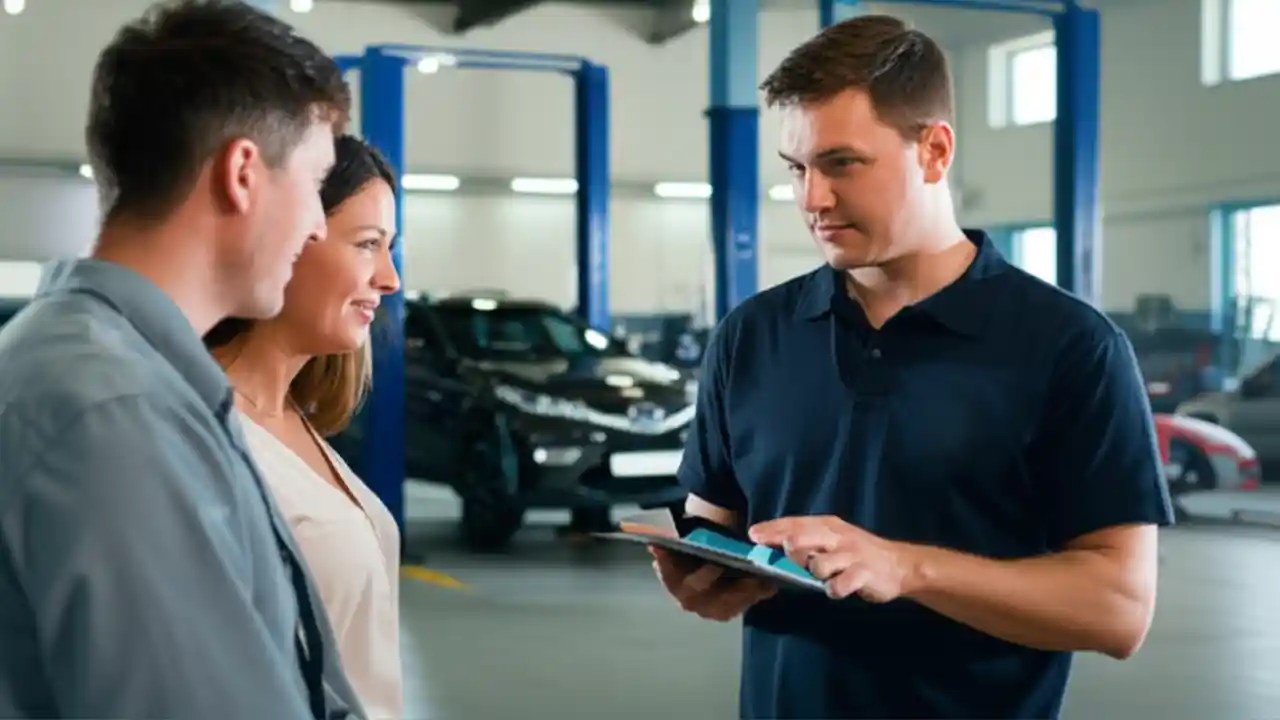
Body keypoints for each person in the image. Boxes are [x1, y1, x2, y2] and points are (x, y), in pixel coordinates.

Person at [650, 14, 1174, 720]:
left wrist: (906, 567)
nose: (812, 200)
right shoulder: (752, 336)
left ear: (933, 150)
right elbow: (714, 521)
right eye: (797, 169)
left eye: (841, 163)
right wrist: (702, 575)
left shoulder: (1070, 348)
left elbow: (1118, 610)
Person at [0, 1, 365, 717]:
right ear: (243, 173)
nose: (319, 224)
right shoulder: (110, 412)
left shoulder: (121, 375)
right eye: (316, 186)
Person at [204, 134, 404, 719]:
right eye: (368, 245)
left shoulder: (292, 419)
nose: (389, 278)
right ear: (286, 238)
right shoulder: (203, 431)